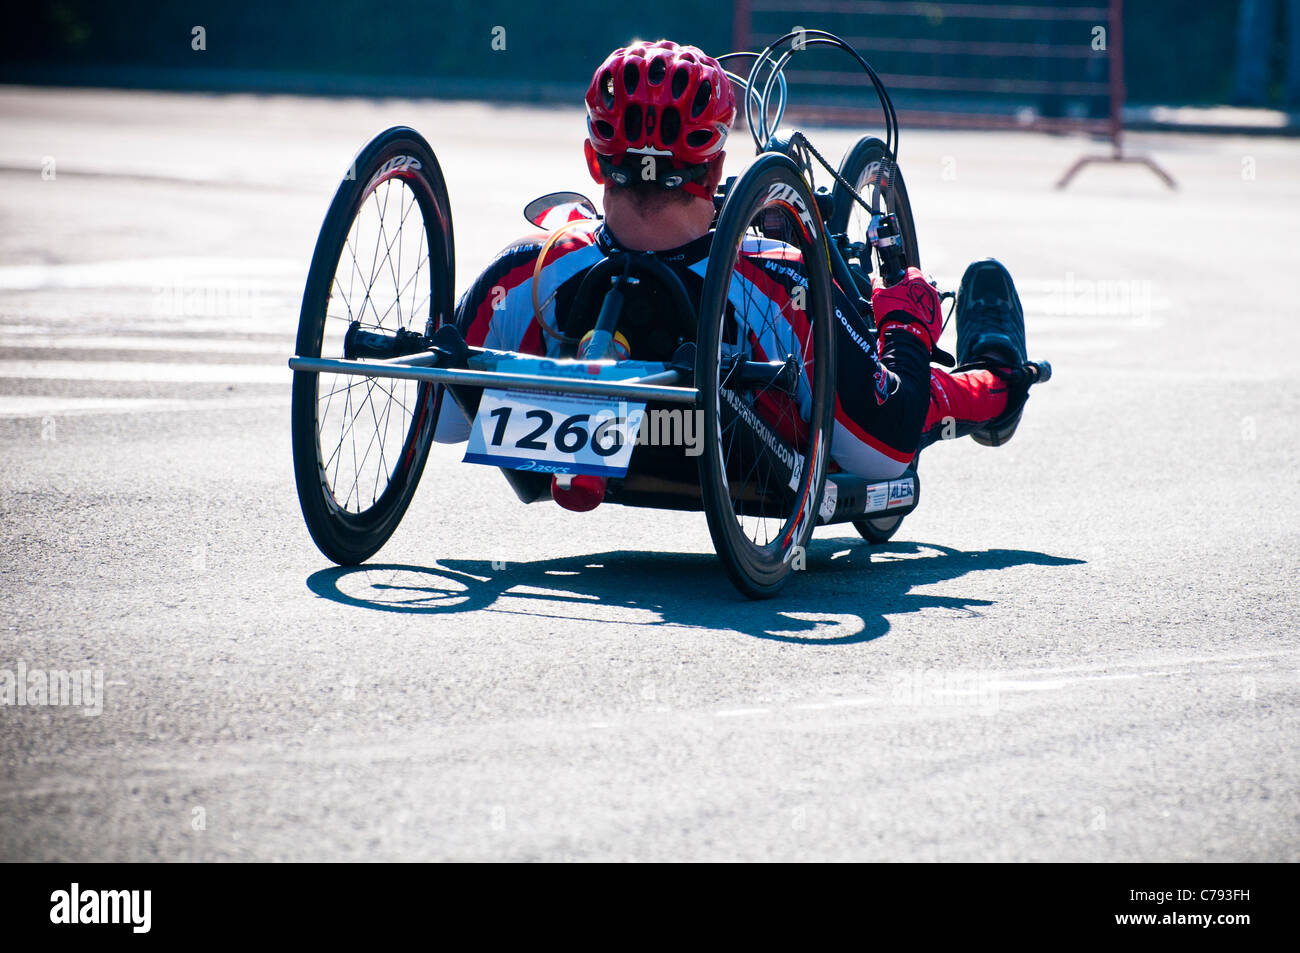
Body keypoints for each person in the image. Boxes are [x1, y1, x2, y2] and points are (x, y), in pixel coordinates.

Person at [434, 40, 1042, 511]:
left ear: (594, 159)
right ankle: (999, 379)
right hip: (754, 438)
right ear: (716, 165)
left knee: (547, 266)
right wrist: (906, 324)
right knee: (910, 378)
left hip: (573, 313)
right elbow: (885, 451)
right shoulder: (780, 279)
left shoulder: (523, 269)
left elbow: (443, 422)